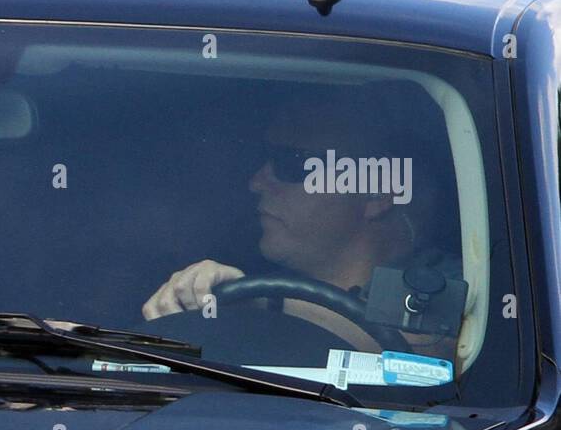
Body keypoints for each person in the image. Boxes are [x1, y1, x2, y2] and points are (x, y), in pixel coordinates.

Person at [140, 90, 459, 362]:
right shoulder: (250, 269)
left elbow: (435, 351)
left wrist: (257, 305)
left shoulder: (449, 283)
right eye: (264, 158)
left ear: (378, 189)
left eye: (292, 162)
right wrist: (199, 295)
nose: (256, 182)